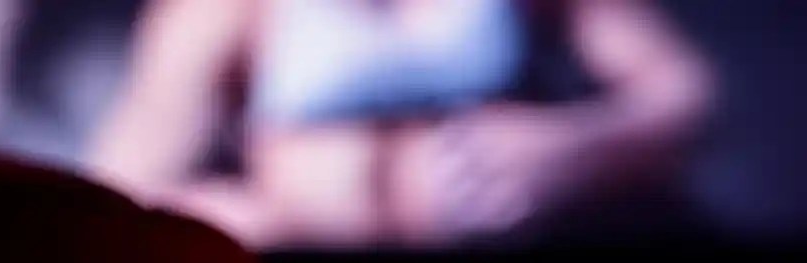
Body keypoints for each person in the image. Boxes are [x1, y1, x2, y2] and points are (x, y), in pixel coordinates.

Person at [85, 0, 713, 250]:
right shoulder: (231, 8)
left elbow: (685, 99)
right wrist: (223, 221)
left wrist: (578, 149)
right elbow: (114, 192)